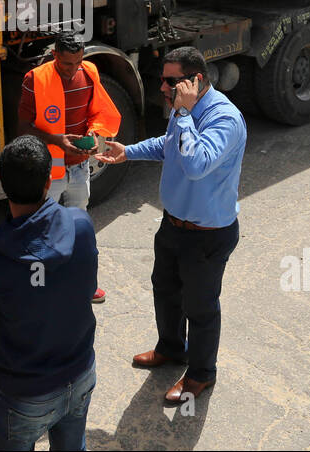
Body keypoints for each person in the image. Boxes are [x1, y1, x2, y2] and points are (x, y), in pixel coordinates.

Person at [97, 46, 246, 404]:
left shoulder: (224, 119)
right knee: (165, 290)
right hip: (173, 225)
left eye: (170, 82)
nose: (162, 88)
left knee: (200, 306)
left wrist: (181, 112)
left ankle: (200, 375)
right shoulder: (183, 111)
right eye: (161, 80)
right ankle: (171, 349)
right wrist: (127, 152)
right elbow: (171, 147)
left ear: (194, 81)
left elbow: (195, 164)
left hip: (206, 235)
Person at [0, 135, 98, 451]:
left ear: (1, 181)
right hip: (80, 373)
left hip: (24, 394)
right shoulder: (80, 224)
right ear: (47, 181)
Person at [18, 32, 121, 303]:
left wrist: (94, 133)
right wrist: (57, 141)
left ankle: (82, 285)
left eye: (77, 62)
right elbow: (23, 127)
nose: (72, 69)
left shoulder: (89, 73)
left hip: (79, 167)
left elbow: (98, 112)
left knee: (78, 227)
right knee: (43, 229)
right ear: (54, 56)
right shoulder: (35, 79)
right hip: (47, 169)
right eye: (66, 64)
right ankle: (41, 289)